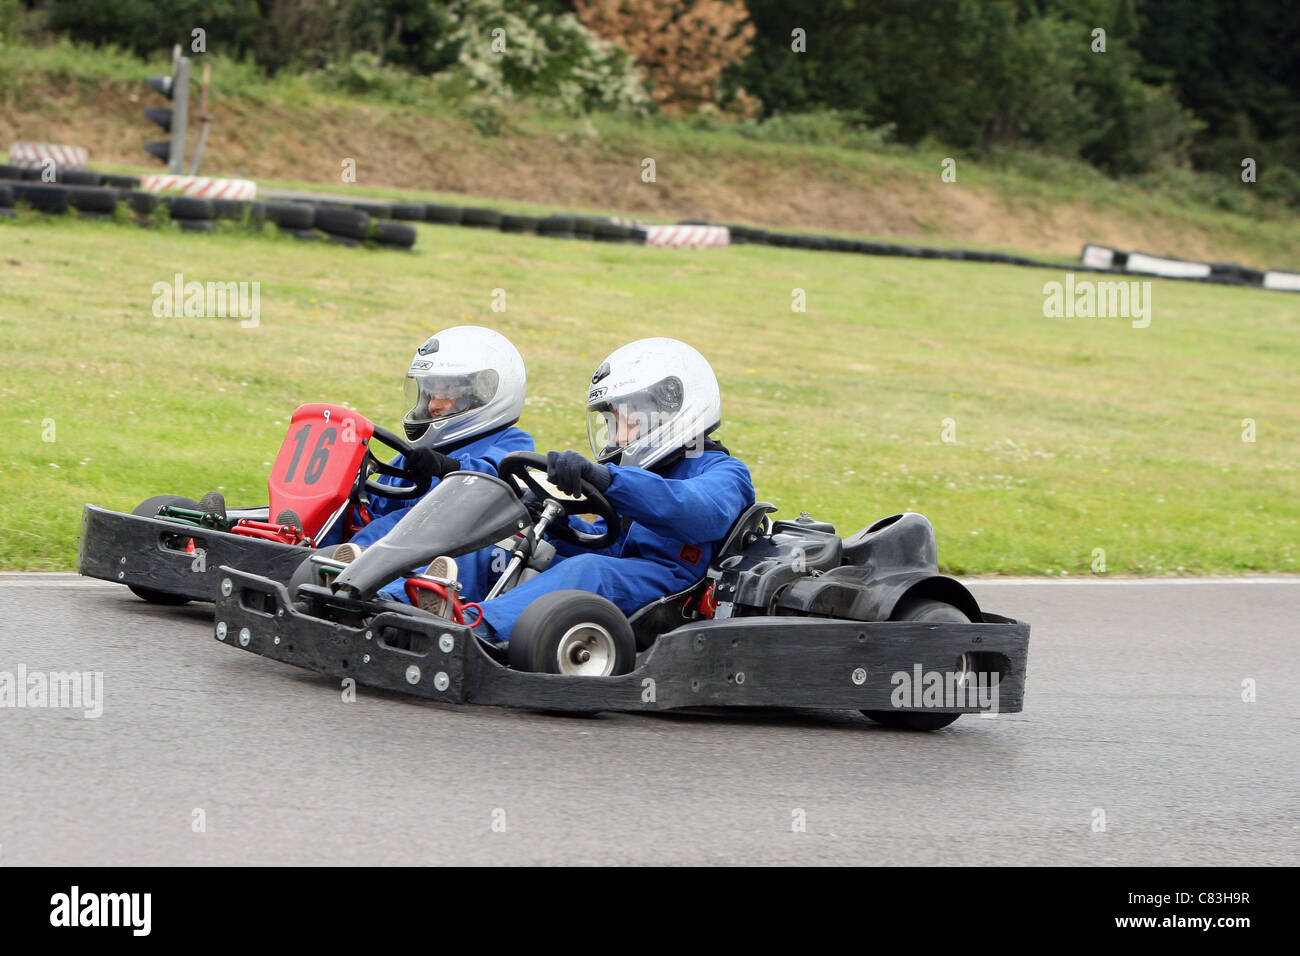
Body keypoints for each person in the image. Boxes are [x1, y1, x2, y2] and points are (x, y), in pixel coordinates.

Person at [436, 337, 755, 645]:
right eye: (612, 424)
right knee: (505, 540)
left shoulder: (726, 473)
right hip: (624, 574)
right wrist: (556, 523)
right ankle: (423, 600)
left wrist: (608, 480)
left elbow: (692, 511)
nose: (618, 437)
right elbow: (609, 543)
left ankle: (475, 628)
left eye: (629, 421)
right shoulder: (648, 471)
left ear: (669, 413)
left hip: (672, 589)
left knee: (588, 570)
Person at [337, 325, 533, 552]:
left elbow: (490, 476)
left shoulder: (512, 442)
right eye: (431, 393)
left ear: (480, 396)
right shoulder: (413, 456)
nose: (433, 405)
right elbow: (376, 506)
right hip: (395, 547)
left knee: (394, 526)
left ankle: (348, 562)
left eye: (448, 394)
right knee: (339, 511)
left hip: (454, 545)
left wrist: (445, 467)